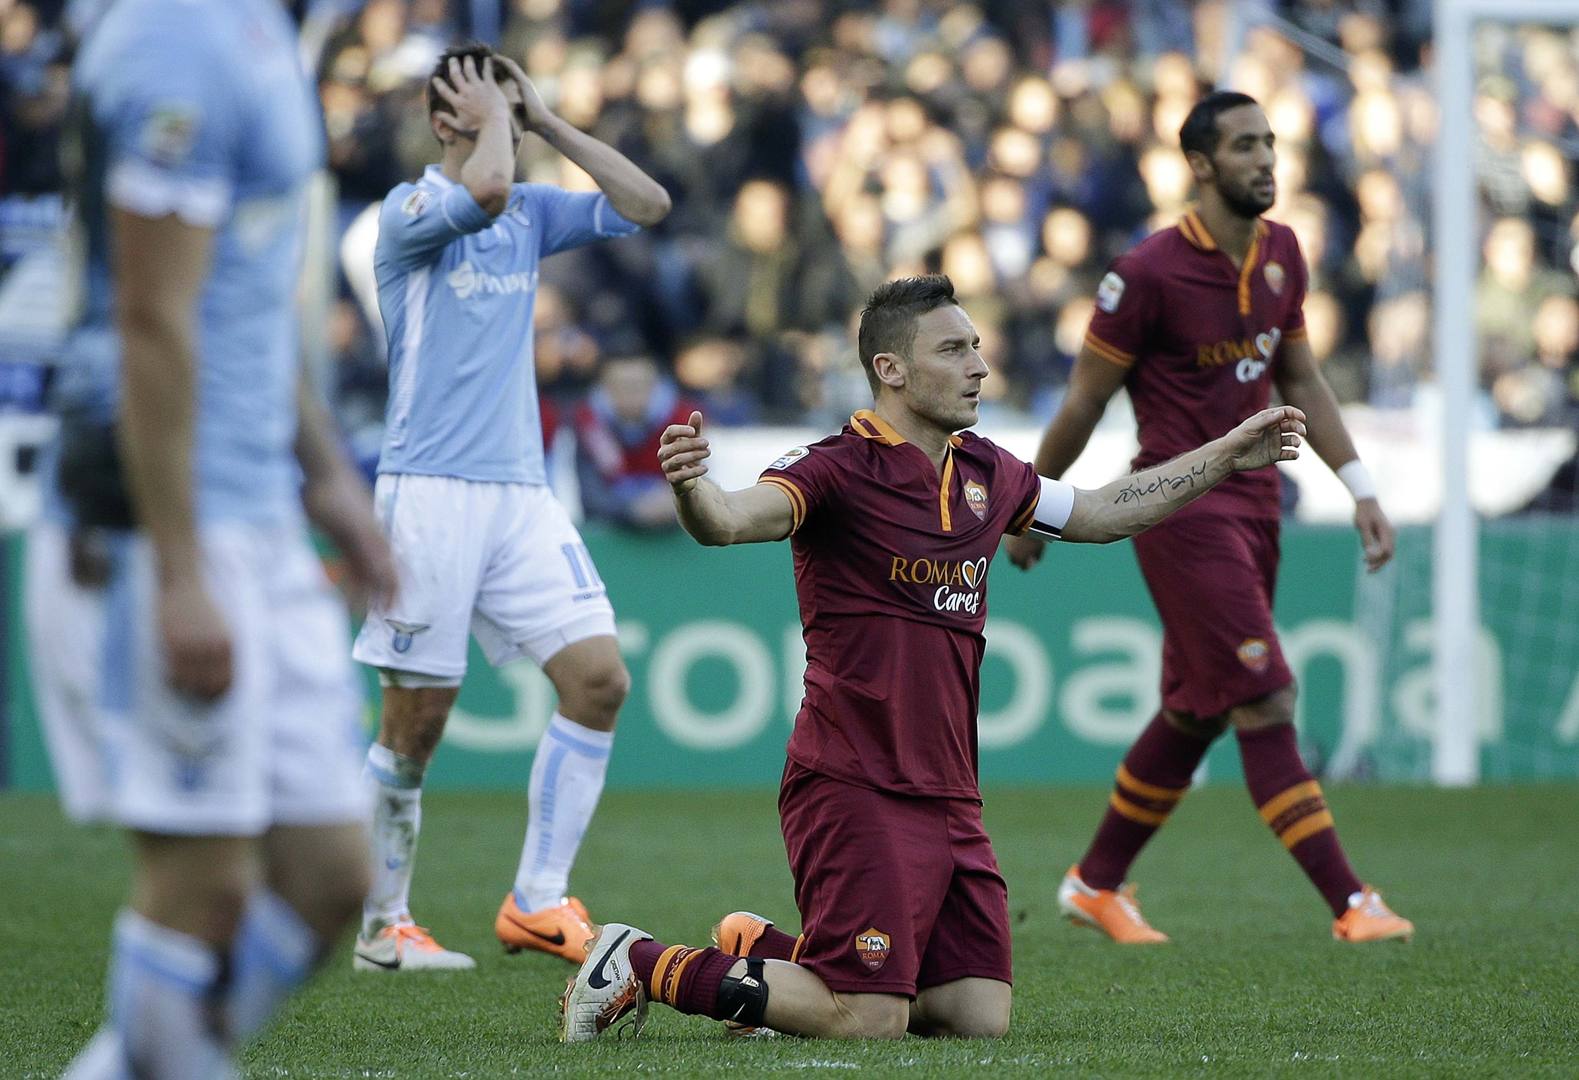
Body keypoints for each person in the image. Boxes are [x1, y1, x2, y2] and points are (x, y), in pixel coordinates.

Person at [560, 274, 1309, 1041]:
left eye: (977, 347)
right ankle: (636, 958)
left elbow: (1097, 513)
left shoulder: (987, 471)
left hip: (949, 791)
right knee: (870, 1017)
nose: (978, 366)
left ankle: (764, 955)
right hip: (854, 778)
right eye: (953, 350)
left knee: (974, 1015)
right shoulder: (835, 467)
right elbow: (725, 520)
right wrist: (691, 489)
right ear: (891, 370)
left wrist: (1222, 455)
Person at [46, 0, 397, 1075]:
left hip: (258, 507)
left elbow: (235, 300)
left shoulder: (256, 32)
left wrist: (328, 476)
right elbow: (153, 314)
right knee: (204, 888)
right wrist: (181, 567)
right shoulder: (175, 36)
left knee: (332, 870)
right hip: (165, 520)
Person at [1005, 91, 1414, 945]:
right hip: (1175, 506)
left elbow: (1298, 378)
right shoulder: (1145, 274)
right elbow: (1084, 400)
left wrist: (1361, 485)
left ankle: (1096, 883)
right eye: (1243, 146)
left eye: (1270, 143)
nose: (1265, 160)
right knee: (1265, 695)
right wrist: (1030, 508)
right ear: (1198, 164)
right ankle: (1351, 904)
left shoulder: (1282, 253)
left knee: (1197, 708)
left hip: (1258, 504)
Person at [349, 43, 671, 971]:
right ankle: (383, 927)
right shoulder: (410, 212)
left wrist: (549, 121)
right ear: (444, 120)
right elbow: (484, 191)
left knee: (600, 680)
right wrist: (499, 126)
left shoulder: (531, 210)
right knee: (415, 725)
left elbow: (647, 206)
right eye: (486, 105)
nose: (507, 120)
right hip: (428, 494)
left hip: (519, 496)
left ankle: (535, 899)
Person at [573, 354, 697, 532]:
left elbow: (697, 486)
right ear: (604, 389)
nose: (631, 395)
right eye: (621, 387)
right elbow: (591, 496)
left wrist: (676, 501)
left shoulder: (683, 420)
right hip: (613, 535)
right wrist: (633, 511)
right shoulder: (589, 424)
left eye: (639, 386)